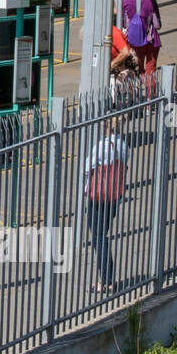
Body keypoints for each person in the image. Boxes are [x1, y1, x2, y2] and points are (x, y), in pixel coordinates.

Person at [79, 119, 129, 292]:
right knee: (102, 236)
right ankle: (107, 279)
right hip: (113, 196)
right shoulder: (123, 145)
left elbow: (87, 168)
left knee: (99, 238)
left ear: (106, 126)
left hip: (98, 196)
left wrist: (86, 187)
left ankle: (107, 281)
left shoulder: (101, 146)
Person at [121, 0, 161, 78]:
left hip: (135, 41)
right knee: (150, 71)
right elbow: (157, 25)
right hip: (152, 41)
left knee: (135, 70)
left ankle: (136, 93)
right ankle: (150, 94)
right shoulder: (151, 1)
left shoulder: (127, 1)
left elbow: (125, 23)